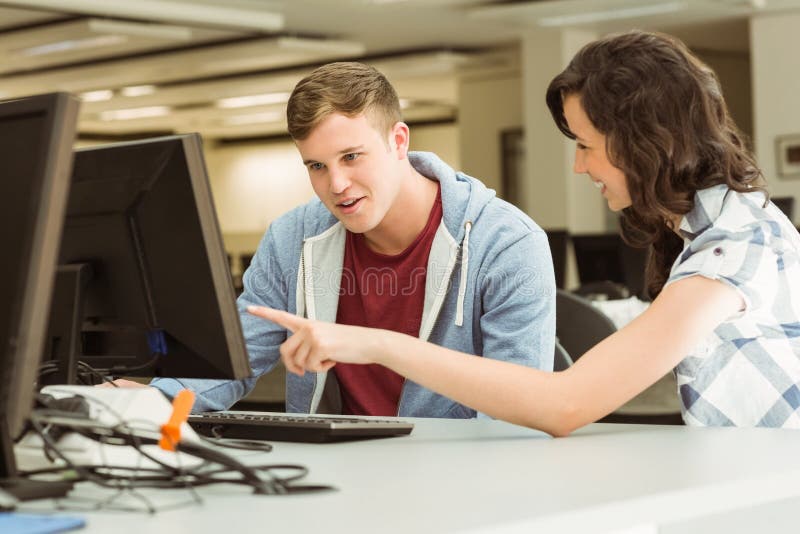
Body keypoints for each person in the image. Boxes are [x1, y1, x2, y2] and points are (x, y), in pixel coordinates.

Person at [249, 31, 800, 434]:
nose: (579, 166)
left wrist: (375, 344)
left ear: (646, 143)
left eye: (585, 145)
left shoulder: (731, 250)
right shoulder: (716, 232)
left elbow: (565, 404)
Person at [149, 61, 556, 416]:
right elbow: (230, 361)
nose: (337, 185)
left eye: (351, 157)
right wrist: (149, 401)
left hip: (456, 469)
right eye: (316, 166)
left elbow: (521, 405)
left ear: (398, 141)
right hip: (331, 468)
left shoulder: (507, 244)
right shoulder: (292, 238)